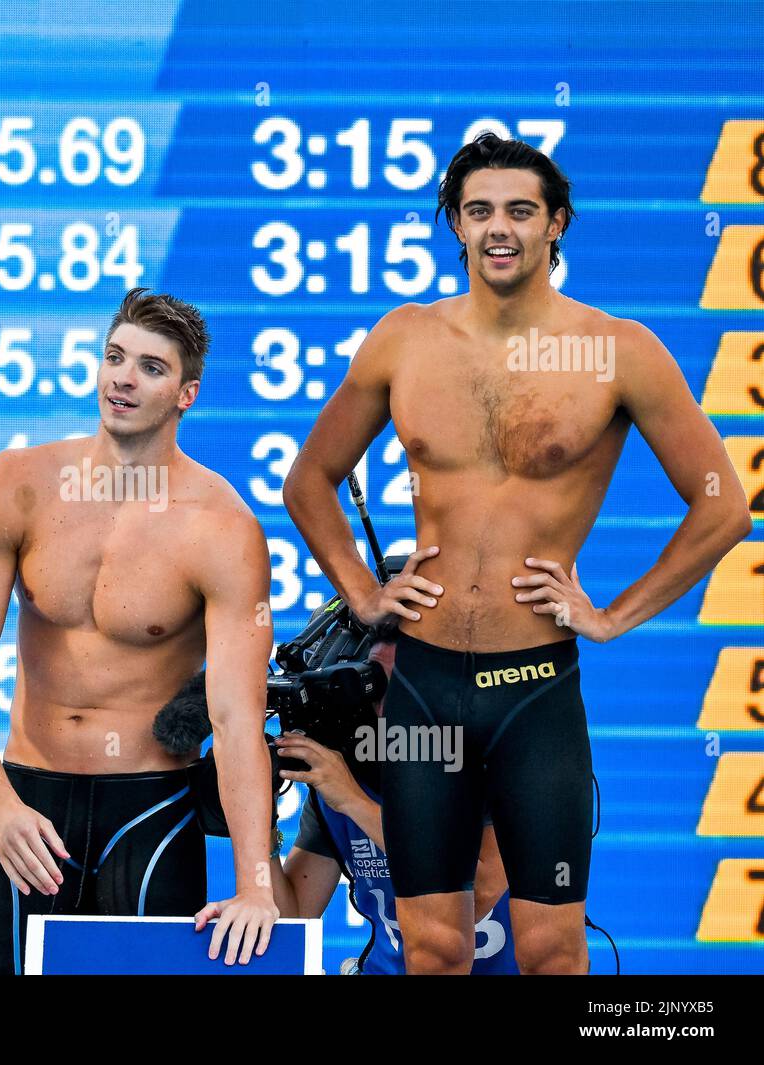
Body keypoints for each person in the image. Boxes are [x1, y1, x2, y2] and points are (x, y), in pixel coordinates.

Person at [282, 132, 752, 974]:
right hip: (424, 693)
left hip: (535, 694)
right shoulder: (404, 340)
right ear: (455, 227)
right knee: (433, 948)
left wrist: (611, 616)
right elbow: (310, 479)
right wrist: (361, 594)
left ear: (556, 224)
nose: (499, 228)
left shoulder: (617, 349)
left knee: (552, 952)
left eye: (520, 211)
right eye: (479, 211)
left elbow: (723, 507)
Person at [0, 287, 279, 974]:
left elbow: (237, 716)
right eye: (115, 357)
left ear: (187, 394)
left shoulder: (221, 527)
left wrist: (255, 885)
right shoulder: (17, 485)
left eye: (151, 367)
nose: (123, 376)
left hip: (149, 815)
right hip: (30, 810)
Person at [270, 635, 518, 974]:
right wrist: (260, 821)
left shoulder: (497, 762)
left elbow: (483, 888)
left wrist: (354, 802)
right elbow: (293, 918)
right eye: (379, 685)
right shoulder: (342, 786)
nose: (391, 706)